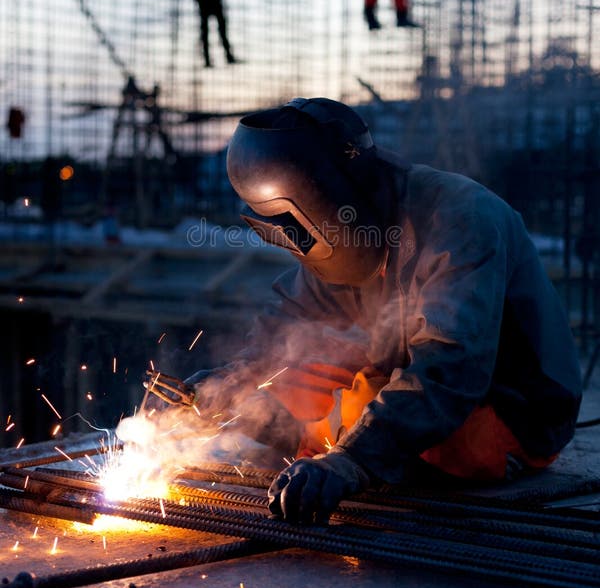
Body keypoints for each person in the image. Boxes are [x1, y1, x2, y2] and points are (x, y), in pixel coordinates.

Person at [151, 98, 582, 525]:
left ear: (330, 201)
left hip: (512, 407)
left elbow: (452, 367)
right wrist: (227, 386)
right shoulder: (349, 232)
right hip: (410, 371)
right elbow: (290, 323)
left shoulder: (461, 218)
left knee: (371, 409)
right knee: (299, 373)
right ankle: (324, 439)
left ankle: (342, 449)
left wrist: (350, 459)